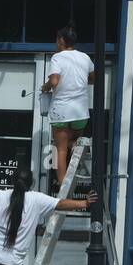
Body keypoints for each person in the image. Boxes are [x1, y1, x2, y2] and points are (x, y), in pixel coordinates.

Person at [40, 24, 94, 192]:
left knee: (60, 150)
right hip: (80, 112)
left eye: (57, 40)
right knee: (74, 143)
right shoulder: (85, 57)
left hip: (61, 112)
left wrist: (45, 87)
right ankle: (76, 165)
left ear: (61, 40)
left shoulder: (58, 57)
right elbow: (93, 78)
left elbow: (54, 81)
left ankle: (64, 190)